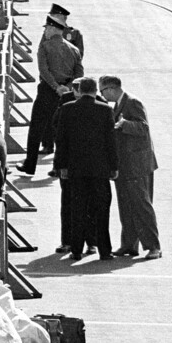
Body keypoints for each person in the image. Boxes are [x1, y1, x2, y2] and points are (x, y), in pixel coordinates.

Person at [54, 75, 117, 262]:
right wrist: (114, 166)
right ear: (95, 91)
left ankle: (76, 249)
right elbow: (110, 141)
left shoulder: (67, 109)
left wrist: (61, 166)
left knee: (77, 208)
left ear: (79, 91)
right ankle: (104, 250)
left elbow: (61, 140)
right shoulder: (105, 110)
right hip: (99, 169)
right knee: (101, 209)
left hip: (76, 169)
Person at [100, 77, 161, 259]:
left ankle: (153, 247)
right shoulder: (119, 105)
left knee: (142, 206)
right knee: (126, 206)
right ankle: (129, 245)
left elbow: (143, 127)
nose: (102, 95)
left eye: (102, 91)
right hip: (125, 164)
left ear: (111, 89)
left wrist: (124, 124)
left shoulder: (133, 103)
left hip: (137, 165)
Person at [21, 4, 84, 175]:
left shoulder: (45, 47)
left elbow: (43, 70)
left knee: (36, 128)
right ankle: (58, 166)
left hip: (48, 91)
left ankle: (30, 164)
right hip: (67, 93)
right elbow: (79, 73)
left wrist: (56, 87)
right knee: (61, 130)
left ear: (51, 28)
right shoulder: (74, 49)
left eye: (47, 27)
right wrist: (67, 88)